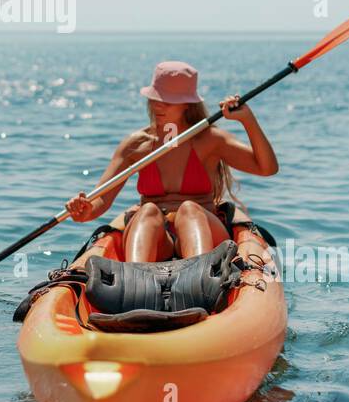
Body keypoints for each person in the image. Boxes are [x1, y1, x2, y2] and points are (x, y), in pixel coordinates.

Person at [64, 61, 278, 262]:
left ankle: (200, 277)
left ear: (187, 104)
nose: (158, 105)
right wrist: (84, 211)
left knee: (189, 210)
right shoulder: (137, 144)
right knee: (147, 211)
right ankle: (135, 280)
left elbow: (266, 168)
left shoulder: (209, 139)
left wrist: (247, 120)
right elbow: (101, 200)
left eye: (168, 101)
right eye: (155, 98)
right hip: (157, 238)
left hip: (203, 231)